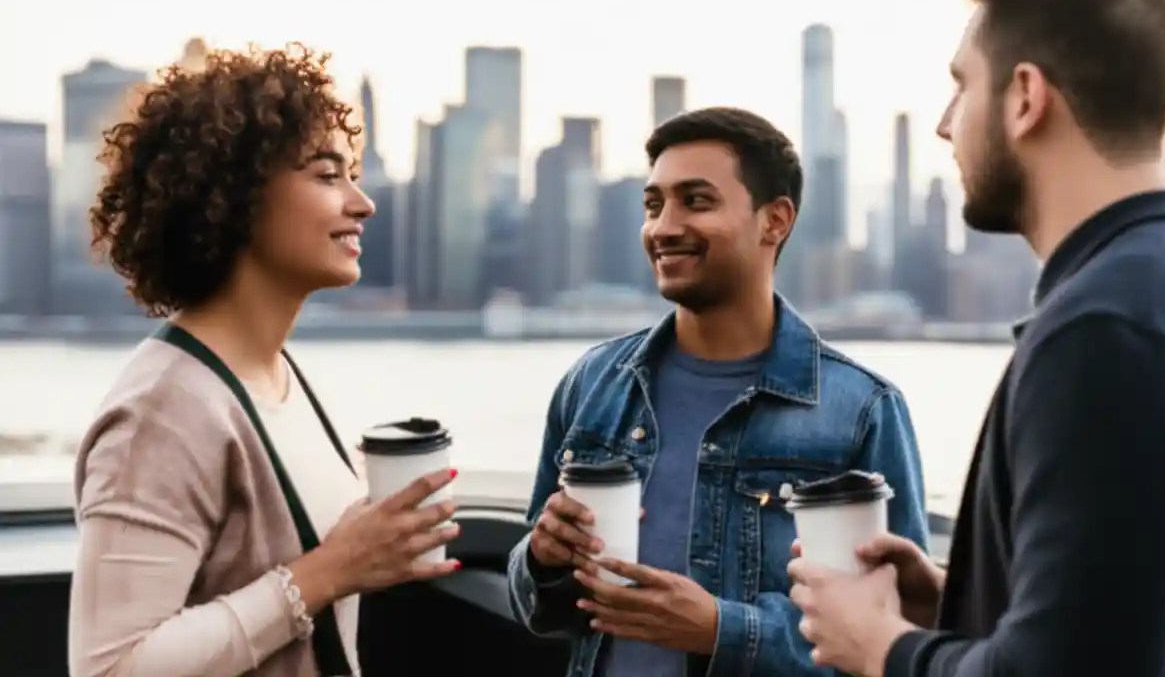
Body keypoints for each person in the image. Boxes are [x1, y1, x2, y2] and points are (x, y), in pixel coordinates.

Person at [786, 0, 1165, 675]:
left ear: (1024, 97)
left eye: (961, 85)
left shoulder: (1106, 332)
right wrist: (958, 603)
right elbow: (1145, 611)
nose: (945, 124)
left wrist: (884, 649)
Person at [68, 43, 461, 677]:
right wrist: (330, 570)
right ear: (237, 195)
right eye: (327, 175)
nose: (364, 203)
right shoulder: (161, 413)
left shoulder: (277, 375)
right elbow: (111, 668)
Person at [506, 106, 930, 676]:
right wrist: (540, 559)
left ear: (774, 220)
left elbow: (892, 635)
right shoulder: (593, 385)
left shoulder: (861, 410)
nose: (664, 226)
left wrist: (720, 630)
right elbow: (536, 606)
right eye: (653, 204)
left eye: (696, 201)